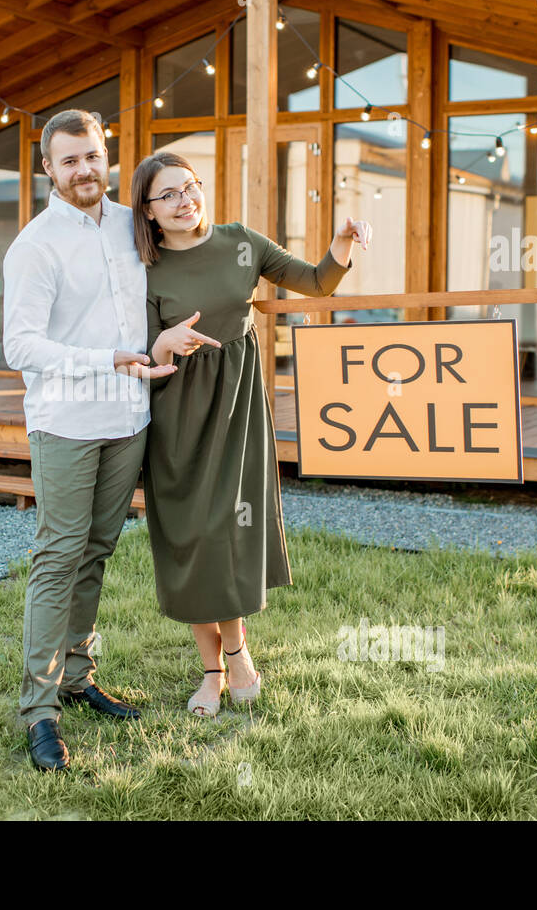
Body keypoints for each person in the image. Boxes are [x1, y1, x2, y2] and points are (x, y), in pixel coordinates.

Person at [132, 150, 371, 717]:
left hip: (235, 404)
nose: (184, 201)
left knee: (226, 532)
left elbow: (315, 284)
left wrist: (343, 245)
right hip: (175, 409)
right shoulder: (142, 266)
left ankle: (235, 654)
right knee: (189, 536)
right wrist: (161, 345)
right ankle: (215, 670)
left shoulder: (241, 242)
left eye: (189, 187)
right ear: (148, 210)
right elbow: (139, 349)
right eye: (168, 195)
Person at [2, 110, 177, 771]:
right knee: (58, 556)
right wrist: (107, 358)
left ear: (108, 156)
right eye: (70, 160)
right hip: (67, 423)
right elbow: (22, 345)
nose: (85, 170)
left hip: (127, 420)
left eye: (94, 156)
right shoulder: (36, 245)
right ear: (47, 167)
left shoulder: (135, 224)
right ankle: (39, 708)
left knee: (97, 550)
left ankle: (77, 673)